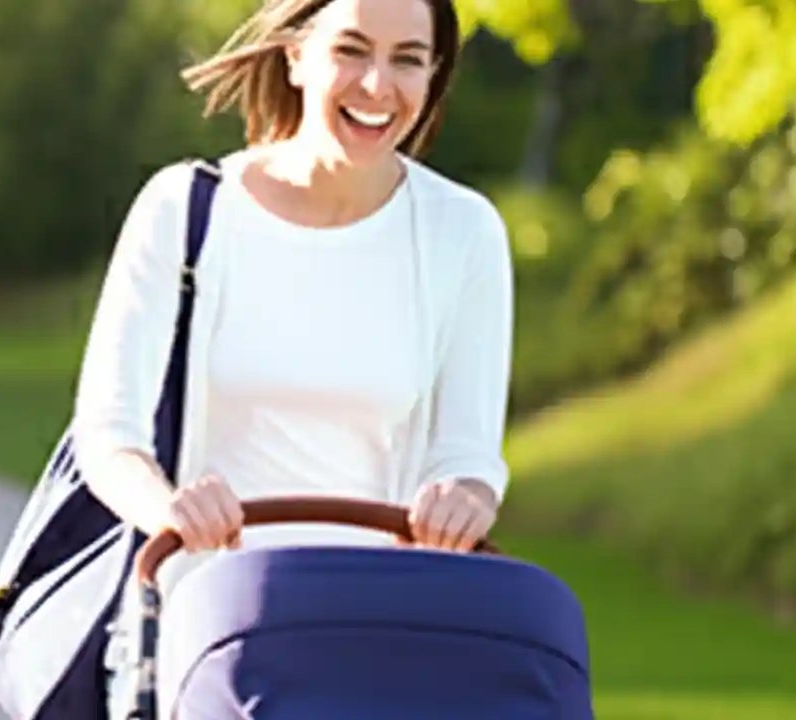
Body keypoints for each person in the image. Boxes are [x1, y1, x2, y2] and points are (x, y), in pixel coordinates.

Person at [71, 0, 514, 713]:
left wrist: (461, 500)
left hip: (375, 645)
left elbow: (468, 455)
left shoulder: (463, 233)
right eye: (351, 49)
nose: (377, 85)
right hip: (207, 639)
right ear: (296, 55)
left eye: (406, 59)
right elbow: (108, 434)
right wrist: (171, 509)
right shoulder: (187, 210)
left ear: (434, 75)